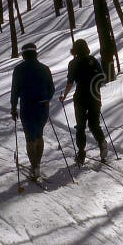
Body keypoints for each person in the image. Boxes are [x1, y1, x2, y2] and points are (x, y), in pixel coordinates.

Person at [59, 39, 108, 163]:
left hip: (80, 97)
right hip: (95, 95)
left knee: (80, 127)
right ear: (86, 48)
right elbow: (102, 78)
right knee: (94, 124)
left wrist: (64, 95)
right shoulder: (93, 60)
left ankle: (81, 153)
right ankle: (102, 142)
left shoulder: (73, 63)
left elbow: (70, 82)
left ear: (74, 50)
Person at [10, 42, 55, 179]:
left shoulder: (18, 69)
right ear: (36, 53)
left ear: (23, 54)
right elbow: (51, 89)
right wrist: (46, 99)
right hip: (42, 108)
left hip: (27, 107)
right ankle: (38, 165)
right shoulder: (45, 68)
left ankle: (34, 166)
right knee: (39, 135)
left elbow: (15, 90)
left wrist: (13, 107)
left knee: (30, 137)